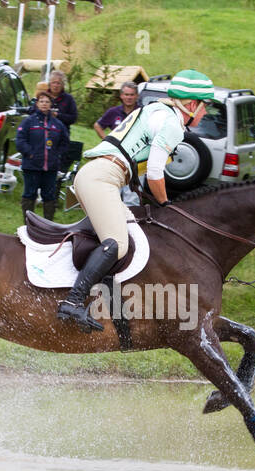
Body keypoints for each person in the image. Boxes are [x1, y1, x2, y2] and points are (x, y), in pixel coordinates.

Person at [56, 69, 213, 332]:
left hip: (99, 174)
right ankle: (72, 302)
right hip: (103, 178)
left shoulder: (156, 109)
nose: (206, 113)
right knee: (117, 243)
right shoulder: (174, 124)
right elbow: (154, 173)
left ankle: (112, 313)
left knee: (124, 233)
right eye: (205, 107)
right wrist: (166, 205)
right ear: (192, 104)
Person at [16, 91, 69, 221]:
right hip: (31, 166)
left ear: (51, 104)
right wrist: (31, 154)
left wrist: (56, 155)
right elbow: (20, 141)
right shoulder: (28, 122)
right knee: (29, 194)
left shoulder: (58, 124)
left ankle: (48, 225)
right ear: (37, 104)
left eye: (47, 102)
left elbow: (65, 142)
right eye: (41, 101)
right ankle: (28, 223)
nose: (44, 104)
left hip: (50, 168)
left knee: (49, 196)